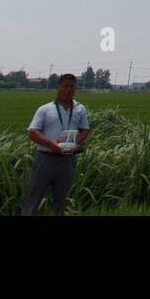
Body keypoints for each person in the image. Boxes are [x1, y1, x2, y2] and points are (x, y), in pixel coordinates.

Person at [20, 73, 90, 215]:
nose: (69, 90)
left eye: (72, 87)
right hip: (45, 158)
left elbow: (85, 130)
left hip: (68, 159)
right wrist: (50, 144)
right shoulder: (45, 109)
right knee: (33, 198)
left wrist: (76, 142)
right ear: (58, 88)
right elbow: (33, 132)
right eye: (65, 86)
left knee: (60, 201)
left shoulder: (80, 109)